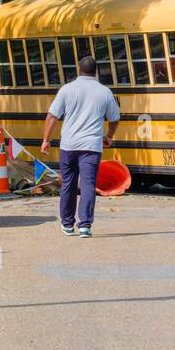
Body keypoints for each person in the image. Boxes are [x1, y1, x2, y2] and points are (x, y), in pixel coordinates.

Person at [40, 55, 120, 237]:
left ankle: (67, 223)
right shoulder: (104, 92)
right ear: (96, 71)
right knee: (88, 184)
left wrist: (46, 140)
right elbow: (114, 119)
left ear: (79, 70)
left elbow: (52, 116)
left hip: (68, 145)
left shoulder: (67, 90)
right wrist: (109, 136)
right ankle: (85, 225)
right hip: (91, 146)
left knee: (68, 182)